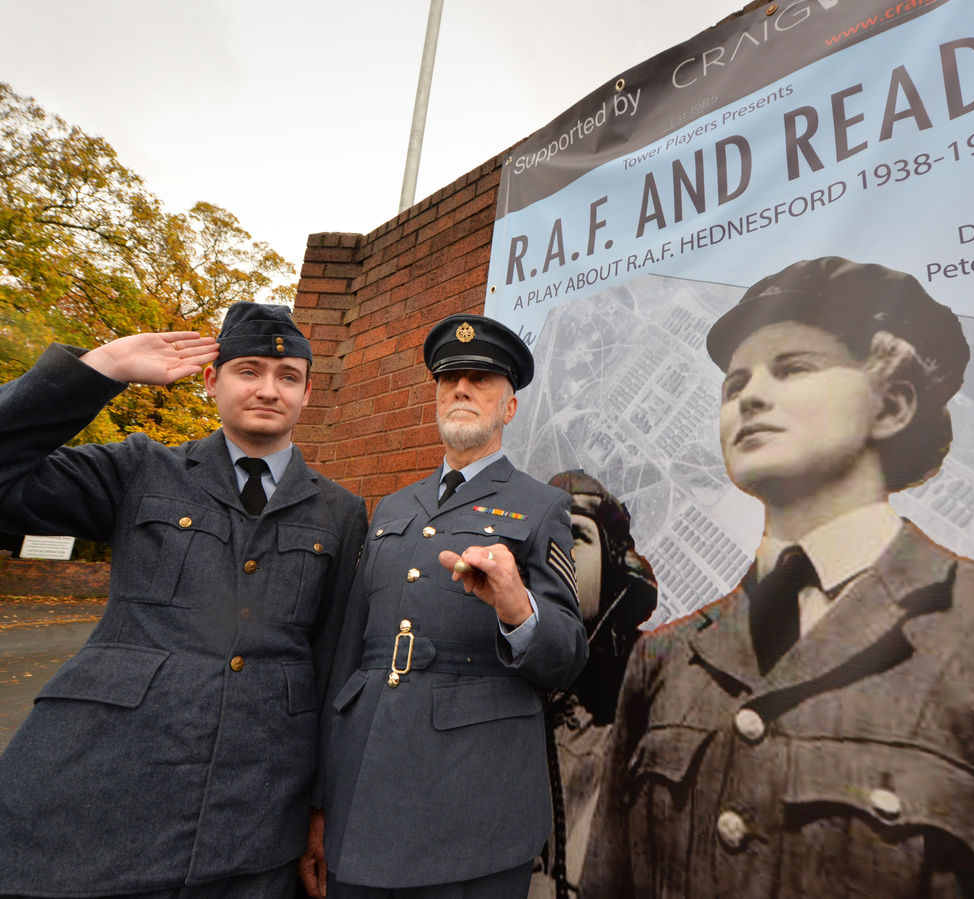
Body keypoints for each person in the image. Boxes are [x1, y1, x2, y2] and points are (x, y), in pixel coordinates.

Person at [581, 257, 974, 898]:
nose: (750, 396)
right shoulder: (663, 661)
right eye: (735, 383)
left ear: (895, 404)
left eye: (794, 368)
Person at [0, 303, 368, 898]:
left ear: (306, 393)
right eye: (248, 371)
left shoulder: (340, 511)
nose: (269, 390)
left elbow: (331, 661)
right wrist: (101, 369)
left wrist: (320, 806)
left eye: (288, 377)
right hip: (99, 801)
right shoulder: (141, 468)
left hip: (252, 820)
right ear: (210, 380)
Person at [307, 314, 588, 899]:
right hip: (367, 784)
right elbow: (347, 656)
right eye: (449, 378)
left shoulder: (540, 507)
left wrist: (519, 609)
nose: (461, 388)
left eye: (481, 379)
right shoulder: (391, 508)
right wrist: (319, 797)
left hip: (472, 799)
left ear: (508, 408)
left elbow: (566, 659)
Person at [528, 470, 657, 899]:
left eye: (577, 537)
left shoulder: (646, 699)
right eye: (546, 541)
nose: (558, 557)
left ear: (616, 564)